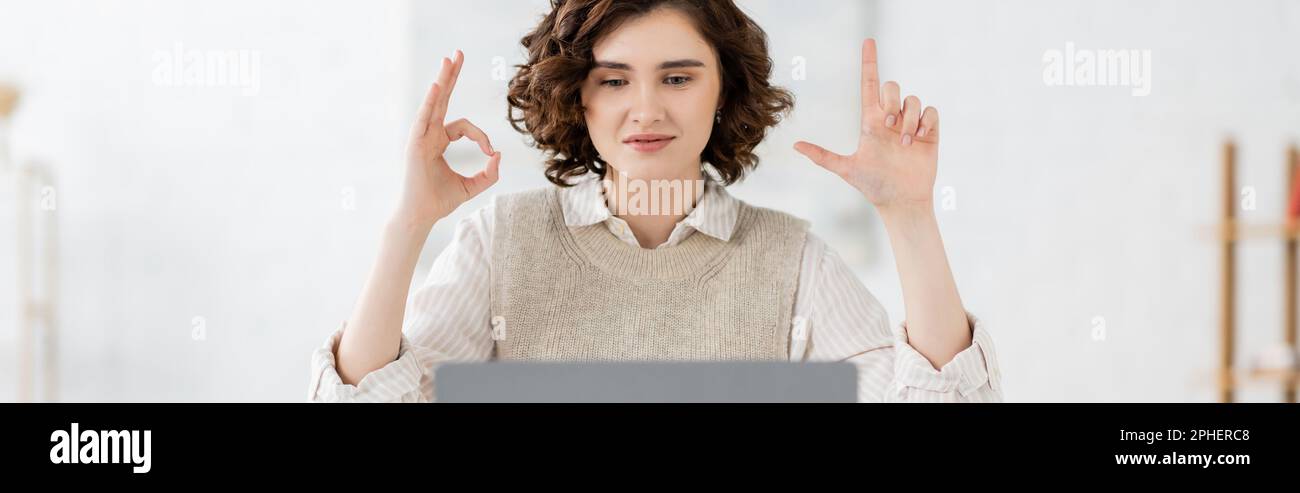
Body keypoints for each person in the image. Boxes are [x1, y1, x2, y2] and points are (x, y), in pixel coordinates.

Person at [309, 0, 1001, 403]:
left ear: (722, 91)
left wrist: (911, 219)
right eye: (614, 81)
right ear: (578, 95)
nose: (646, 109)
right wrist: (407, 226)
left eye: (676, 77)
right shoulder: (501, 242)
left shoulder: (791, 262)